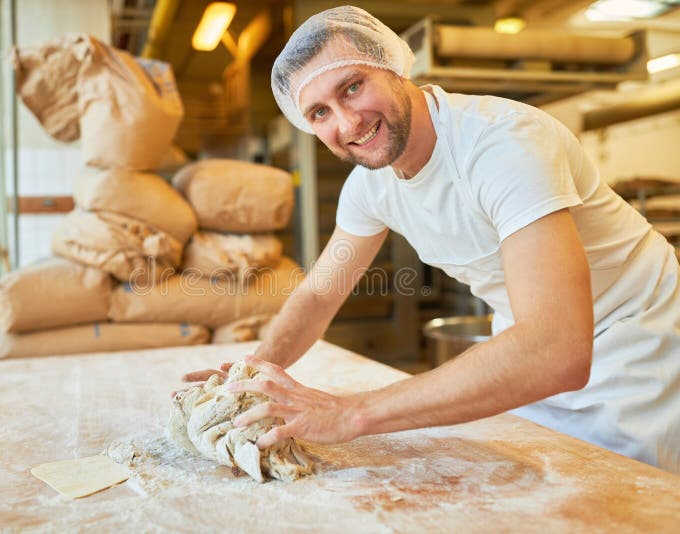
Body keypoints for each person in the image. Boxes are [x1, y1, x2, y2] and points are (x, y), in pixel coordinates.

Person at [181, 5, 680, 473]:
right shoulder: (369, 186)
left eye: (353, 87)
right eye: (319, 113)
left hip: (637, 351)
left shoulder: (501, 144)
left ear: (393, 66)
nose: (347, 123)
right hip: (527, 351)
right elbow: (320, 291)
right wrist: (251, 373)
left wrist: (351, 414)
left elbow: (556, 349)